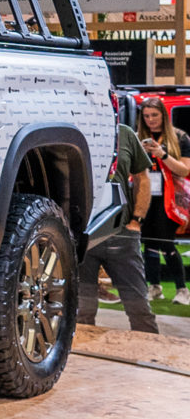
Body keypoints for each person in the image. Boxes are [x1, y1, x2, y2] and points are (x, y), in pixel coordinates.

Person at [79, 120, 156, 333]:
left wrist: (136, 220)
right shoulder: (71, 130)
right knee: (81, 311)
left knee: (139, 308)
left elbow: (142, 178)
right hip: (82, 236)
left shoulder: (124, 134)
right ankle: (84, 354)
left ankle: (150, 351)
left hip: (122, 233)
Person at [138, 98, 190, 306]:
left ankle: (182, 289)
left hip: (170, 198)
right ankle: (154, 287)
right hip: (145, 195)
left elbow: (184, 170)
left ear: (163, 115)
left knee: (166, 241)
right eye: (146, 116)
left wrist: (162, 155)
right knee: (149, 242)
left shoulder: (180, 137)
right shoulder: (139, 137)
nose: (150, 120)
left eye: (154, 115)